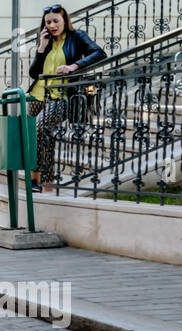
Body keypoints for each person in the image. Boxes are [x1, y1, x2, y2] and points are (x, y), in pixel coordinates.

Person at [28, 4, 106, 191]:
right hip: (37, 95)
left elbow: (100, 53)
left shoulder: (77, 37)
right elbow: (33, 73)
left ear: (65, 21)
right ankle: (36, 179)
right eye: (49, 22)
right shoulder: (46, 42)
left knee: (41, 130)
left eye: (56, 21)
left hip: (61, 96)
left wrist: (74, 66)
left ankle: (46, 181)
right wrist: (41, 47)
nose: (53, 25)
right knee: (35, 135)